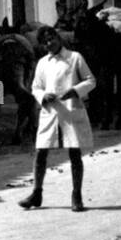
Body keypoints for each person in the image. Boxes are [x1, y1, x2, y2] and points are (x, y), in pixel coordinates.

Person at [19, 26, 96, 212]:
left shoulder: (74, 58)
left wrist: (76, 91)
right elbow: (36, 87)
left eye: (51, 38)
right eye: (44, 41)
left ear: (58, 37)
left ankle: (76, 196)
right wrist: (43, 95)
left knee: (74, 154)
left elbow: (91, 80)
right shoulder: (43, 63)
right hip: (50, 113)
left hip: (71, 111)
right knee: (41, 153)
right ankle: (36, 193)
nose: (49, 43)